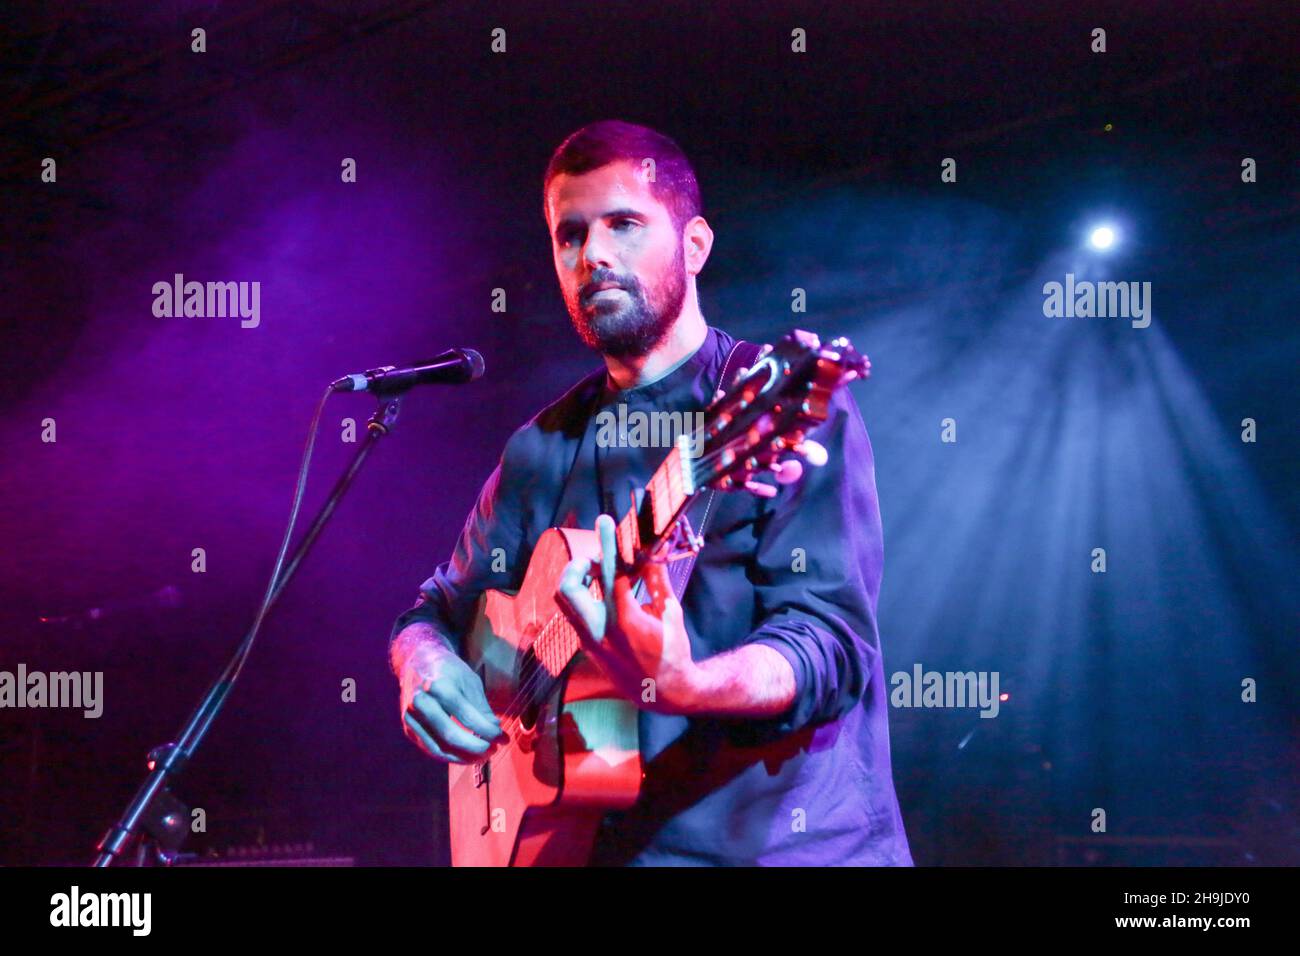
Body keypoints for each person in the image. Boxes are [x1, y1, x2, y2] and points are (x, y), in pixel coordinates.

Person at [389, 119, 912, 866]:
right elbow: (432, 612)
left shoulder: (767, 406)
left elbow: (830, 643)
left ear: (694, 245)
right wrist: (424, 665)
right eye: (570, 236)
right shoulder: (539, 450)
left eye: (624, 224)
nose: (593, 254)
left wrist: (683, 683)